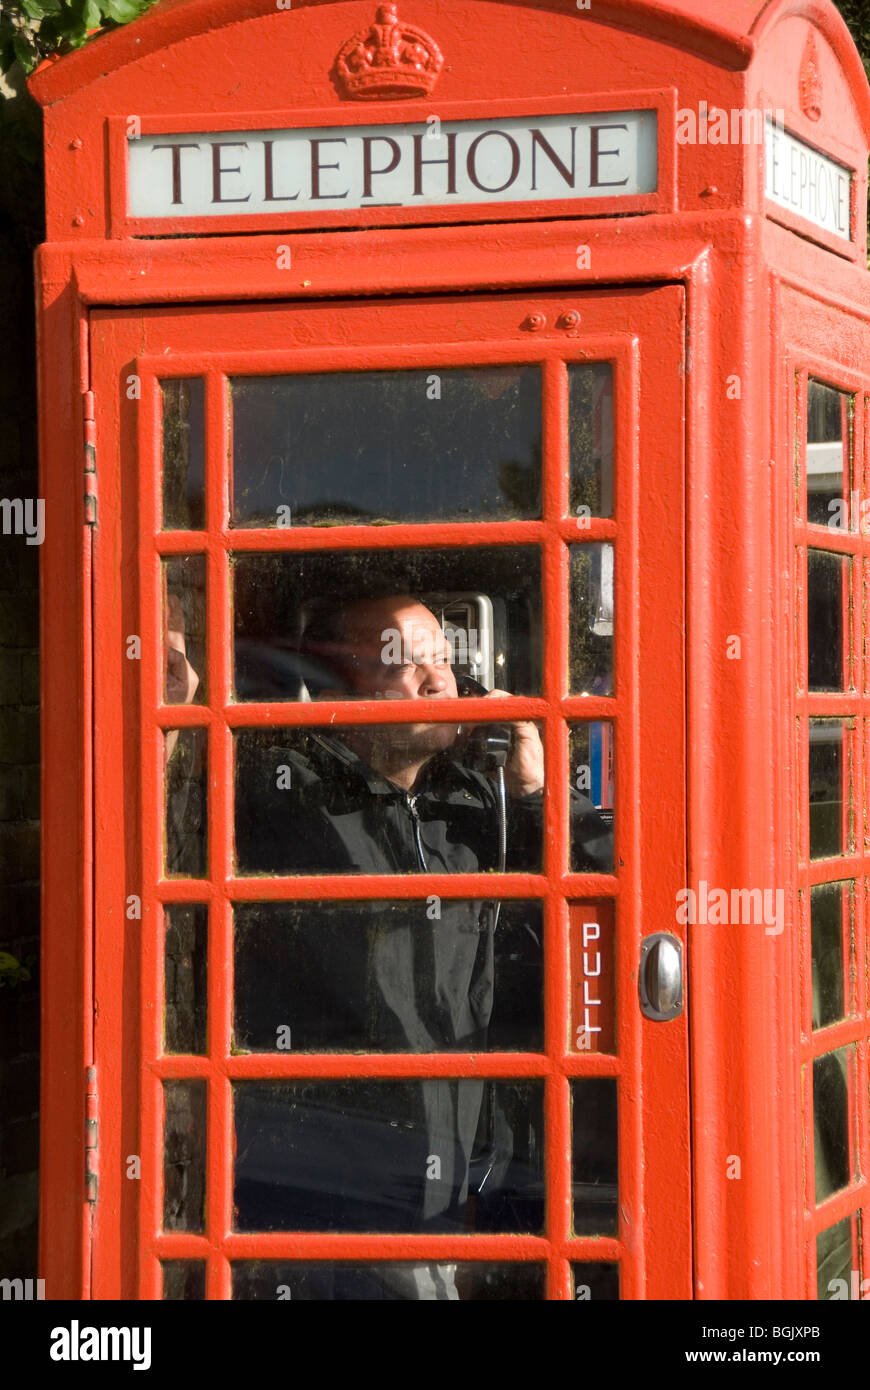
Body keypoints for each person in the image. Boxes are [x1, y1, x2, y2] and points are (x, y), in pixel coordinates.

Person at [167, 593, 613, 1298]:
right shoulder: (284, 794)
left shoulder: (472, 808)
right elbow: (164, 828)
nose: (438, 680)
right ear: (340, 684)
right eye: (403, 663)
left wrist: (534, 789)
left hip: (460, 1196)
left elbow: (610, 903)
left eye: (443, 660)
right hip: (325, 1198)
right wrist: (175, 719)